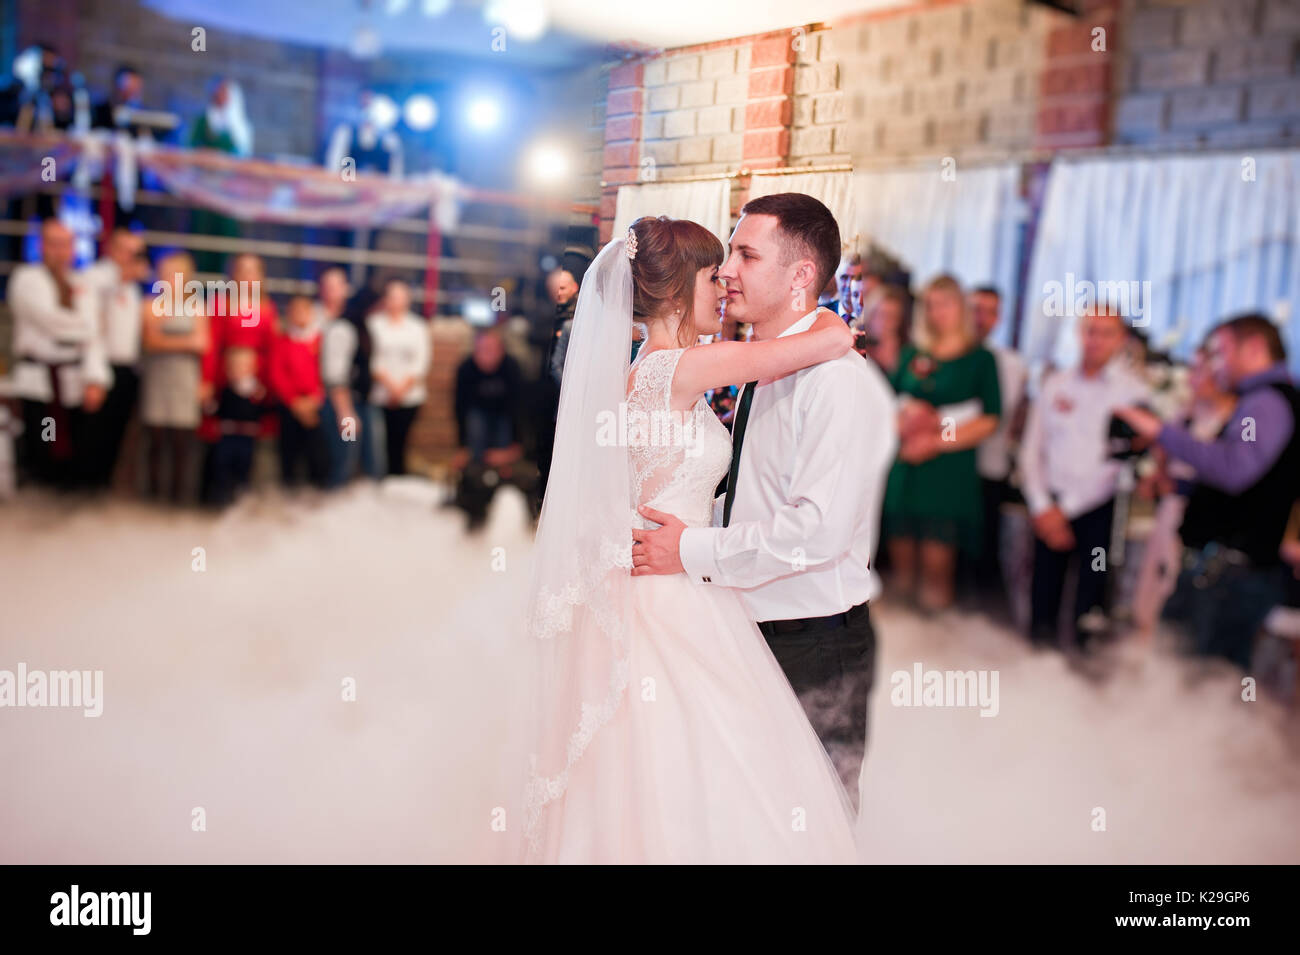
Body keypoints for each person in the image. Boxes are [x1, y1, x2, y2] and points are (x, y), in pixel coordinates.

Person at [523, 207, 870, 864]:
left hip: (669, 579)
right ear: (683, 288)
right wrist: (830, 321)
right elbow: (815, 344)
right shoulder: (676, 369)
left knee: (663, 758)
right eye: (717, 274)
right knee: (694, 757)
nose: (728, 287)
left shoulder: (650, 373)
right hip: (671, 591)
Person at [630, 194, 897, 813]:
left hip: (811, 643)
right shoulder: (754, 364)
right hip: (734, 629)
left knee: (814, 824)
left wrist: (689, 548)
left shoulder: (834, 379)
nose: (727, 272)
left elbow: (817, 533)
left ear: (802, 275)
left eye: (747, 255)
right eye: (726, 258)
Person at [1116, 314, 1300, 669]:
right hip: (1226, 569)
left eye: (1220, 352)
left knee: (1195, 683)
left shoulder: (1265, 403)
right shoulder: (1260, 400)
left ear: (1255, 348)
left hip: (1228, 572)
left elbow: (1234, 470)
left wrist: (1161, 432)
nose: (1215, 365)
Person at [1019, 307, 1149, 650]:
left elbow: (1118, 462)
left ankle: (1085, 669)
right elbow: (1032, 449)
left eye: (1106, 333)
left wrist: (1068, 510)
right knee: (1043, 591)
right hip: (1050, 504)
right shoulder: (1055, 383)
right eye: (1091, 330)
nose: (1097, 340)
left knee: (1092, 593)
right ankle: (1038, 665)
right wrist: (1042, 505)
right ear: (1079, 333)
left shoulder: (1133, 393)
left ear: (1120, 339)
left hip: (1098, 508)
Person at [883, 275, 1001, 611]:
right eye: (931, 305)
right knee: (900, 561)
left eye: (945, 304)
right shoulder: (912, 353)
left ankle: (934, 647)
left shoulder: (980, 359)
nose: (938, 313)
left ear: (961, 308)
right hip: (905, 463)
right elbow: (888, 400)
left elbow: (989, 418)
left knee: (937, 566)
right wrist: (906, 419)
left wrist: (938, 439)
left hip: (947, 469)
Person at [1130, 346, 1235, 634]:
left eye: (1201, 370)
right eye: (1192, 369)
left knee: (1178, 589)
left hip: (1204, 523)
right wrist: (1155, 478)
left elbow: (1231, 475)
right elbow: (1163, 455)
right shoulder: (1185, 415)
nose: (1193, 378)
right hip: (1169, 513)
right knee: (1153, 584)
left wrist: (1182, 485)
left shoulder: (1237, 419)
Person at [9, 219, 110, 490]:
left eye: (64, 244)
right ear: (42, 246)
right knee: (43, 443)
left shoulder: (82, 284)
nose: (59, 251)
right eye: (52, 243)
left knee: (75, 454)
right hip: (39, 382)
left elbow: (95, 338)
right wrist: (86, 326)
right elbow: (50, 320)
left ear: (72, 249)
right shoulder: (26, 279)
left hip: (74, 380)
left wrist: (95, 378)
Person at [970, 285, 1027, 602]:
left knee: (983, 551)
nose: (981, 318)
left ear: (998, 319)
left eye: (989, 312)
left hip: (990, 467)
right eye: (975, 308)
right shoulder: (940, 354)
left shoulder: (1012, 364)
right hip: (948, 467)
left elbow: (1007, 417)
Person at [79, 228, 147, 489]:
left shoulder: (132, 287)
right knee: (93, 437)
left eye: (137, 252)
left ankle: (101, 494)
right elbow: (90, 331)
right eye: (129, 251)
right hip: (101, 369)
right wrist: (94, 377)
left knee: (115, 439)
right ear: (113, 249)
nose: (134, 257)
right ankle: (83, 495)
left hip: (127, 370)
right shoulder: (95, 278)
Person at [139, 251, 208, 504]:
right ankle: (154, 497)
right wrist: (184, 341)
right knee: (155, 441)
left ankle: (178, 499)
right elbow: (150, 342)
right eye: (165, 274)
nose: (169, 279)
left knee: (181, 443)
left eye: (175, 274)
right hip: (157, 380)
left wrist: (164, 340)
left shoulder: (197, 307)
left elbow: (202, 343)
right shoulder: (149, 304)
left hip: (185, 380)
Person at [317, 267, 377, 486]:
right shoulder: (342, 328)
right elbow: (335, 376)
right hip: (344, 405)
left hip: (358, 402)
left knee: (358, 460)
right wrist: (346, 414)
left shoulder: (357, 326)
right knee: (345, 462)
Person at [366, 280, 430, 476]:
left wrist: (401, 389)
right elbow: (371, 358)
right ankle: (378, 480)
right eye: (392, 296)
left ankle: (397, 480)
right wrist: (389, 386)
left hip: (409, 395)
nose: (396, 301)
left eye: (401, 296)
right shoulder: (374, 324)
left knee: (400, 442)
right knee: (377, 445)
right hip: (379, 394)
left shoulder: (417, 326)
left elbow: (421, 361)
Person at [269, 296, 329, 488]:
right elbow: (276, 374)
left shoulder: (322, 342)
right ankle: (289, 493)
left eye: (304, 310)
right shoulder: (282, 342)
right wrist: (294, 402)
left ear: (312, 313)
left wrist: (315, 399)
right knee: (289, 453)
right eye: (294, 311)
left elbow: (327, 372)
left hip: (316, 406)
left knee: (318, 454)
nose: (299, 315)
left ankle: (317, 493)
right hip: (290, 407)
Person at [205, 346, 265, 506]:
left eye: (242, 366)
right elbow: (216, 410)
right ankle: (221, 498)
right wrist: (209, 405)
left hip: (247, 438)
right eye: (234, 367)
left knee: (244, 468)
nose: (238, 370)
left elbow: (263, 412)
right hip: (227, 436)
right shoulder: (225, 390)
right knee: (222, 466)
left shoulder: (257, 393)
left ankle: (241, 500)